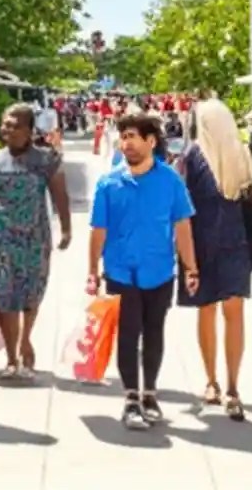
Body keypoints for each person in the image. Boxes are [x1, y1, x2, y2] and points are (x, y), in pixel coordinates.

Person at [88, 113, 199, 430]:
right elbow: (98, 230)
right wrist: (91, 270)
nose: (127, 143)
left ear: (151, 142)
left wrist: (191, 267)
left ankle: (150, 394)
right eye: (123, 137)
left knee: (154, 332)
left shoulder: (170, 181)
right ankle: (131, 399)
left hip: (160, 269)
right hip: (120, 271)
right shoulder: (109, 183)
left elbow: (182, 226)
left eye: (133, 136)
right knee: (128, 332)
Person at [0, 104, 71, 381]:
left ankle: (26, 338)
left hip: (36, 237)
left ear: (29, 130)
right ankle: (12, 358)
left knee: (32, 293)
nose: (8, 130)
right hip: (2, 239)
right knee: (5, 296)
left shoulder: (47, 159)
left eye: (15, 125)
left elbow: (60, 194)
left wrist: (66, 228)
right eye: (5, 124)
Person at [176, 99, 252, 420]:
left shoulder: (191, 157)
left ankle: (221, 384)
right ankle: (224, 385)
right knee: (225, 312)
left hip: (206, 243)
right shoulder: (242, 155)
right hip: (232, 244)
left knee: (212, 311)